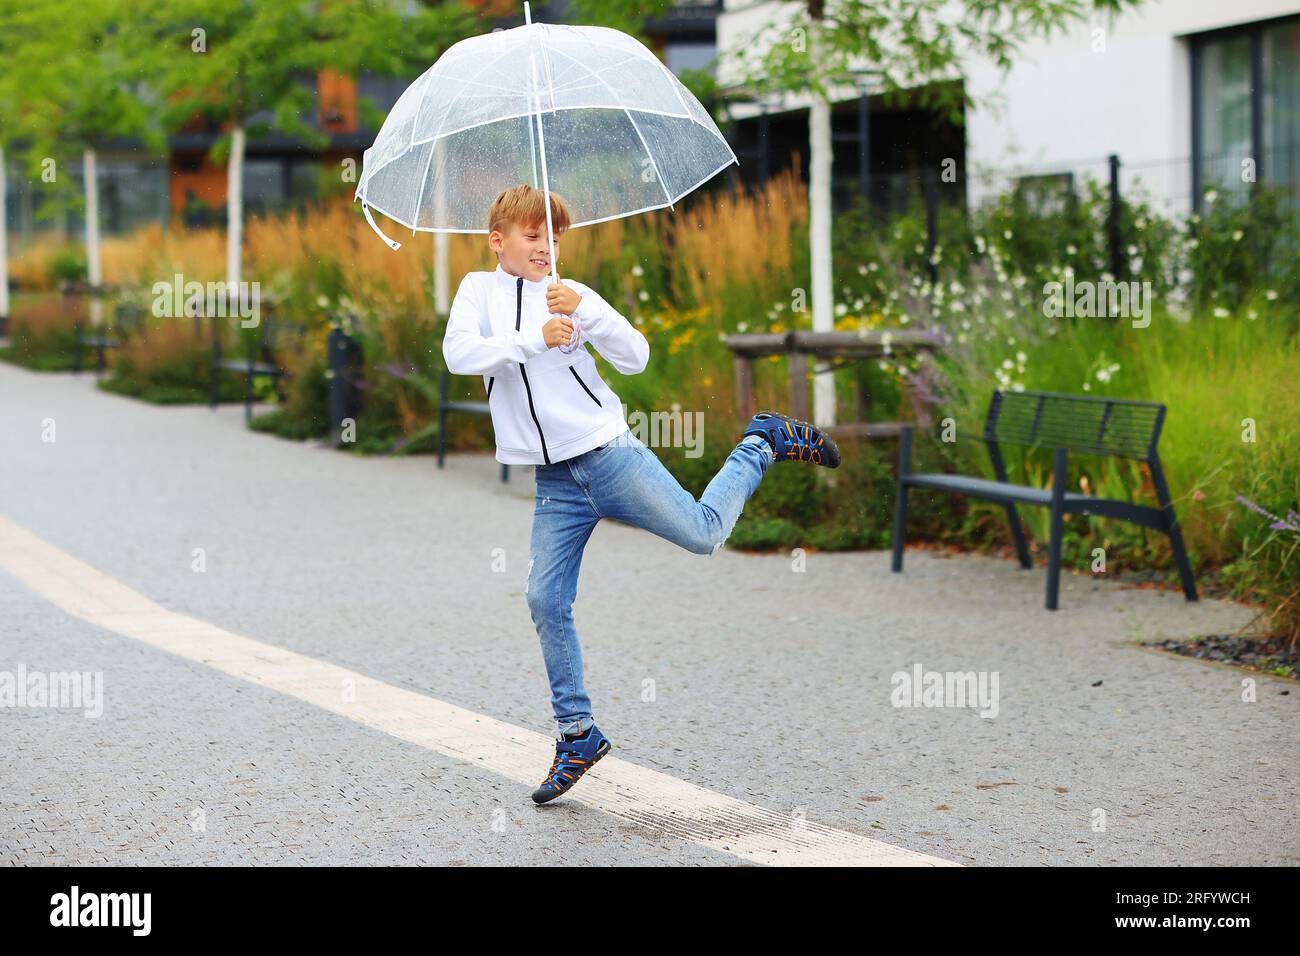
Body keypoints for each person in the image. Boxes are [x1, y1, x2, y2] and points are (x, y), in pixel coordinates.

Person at [443, 184, 840, 804]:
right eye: (531, 236)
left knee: (704, 533)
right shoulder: (478, 292)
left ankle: (760, 442)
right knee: (545, 599)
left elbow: (636, 357)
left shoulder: (571, 294)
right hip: (554, 481)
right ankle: (577, 735)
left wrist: (585, 313)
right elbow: (458, 352)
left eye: (553, 238)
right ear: (499, 241)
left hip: (608, 455)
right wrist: (532, 338)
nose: (546, 248)